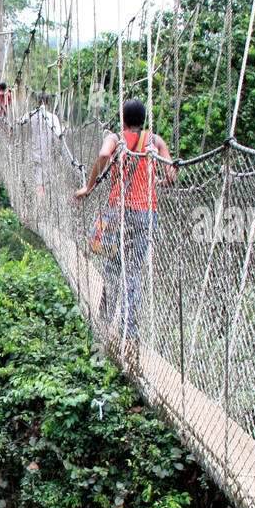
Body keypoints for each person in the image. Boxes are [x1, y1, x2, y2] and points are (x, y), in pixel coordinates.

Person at [73, 98, 177, 354]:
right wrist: (157, 184)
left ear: (123, 119)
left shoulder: (116, 137)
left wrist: (89, 187)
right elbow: (172, 176)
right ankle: (129, 332)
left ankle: (105, 318)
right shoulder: (155, 142)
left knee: (112, 265)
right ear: (143, 120)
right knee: (133, 272)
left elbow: (103, 154)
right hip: (146, 214)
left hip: (120, 212)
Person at [18, 92, 63, 209]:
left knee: (32, 181)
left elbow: (19, 128)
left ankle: (31, 206)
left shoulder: (28, 116)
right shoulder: (53, 118)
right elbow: (58, 137)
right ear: (47, 103)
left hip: (29, 155)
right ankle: (39, 209)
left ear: (36, 102)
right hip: (46, 156)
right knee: (41, 183)